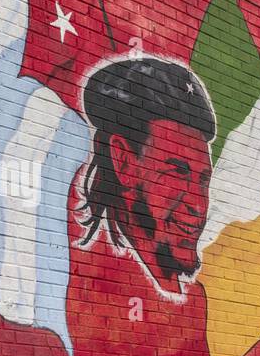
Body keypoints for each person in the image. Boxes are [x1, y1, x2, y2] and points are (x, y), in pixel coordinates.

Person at [77, 56, 216, 293]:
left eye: (203, 180)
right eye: (178, 173)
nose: (199, 205)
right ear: (124, 162)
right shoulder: (96, 286)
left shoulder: (195, 302)